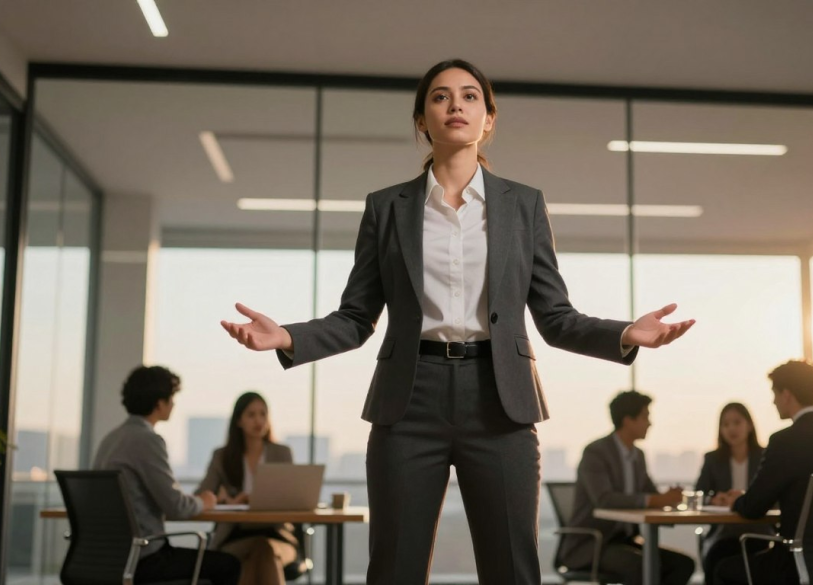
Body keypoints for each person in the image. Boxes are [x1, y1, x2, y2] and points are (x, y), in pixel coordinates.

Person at [220, 58, 694, 585]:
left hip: (500, 399)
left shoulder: (524, 205)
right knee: (394, 568)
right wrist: (288, 336)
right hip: (408, 402)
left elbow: (555, 317)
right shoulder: (386, 208)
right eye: (441, 97)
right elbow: (356, 317)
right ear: (423, 119)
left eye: (470, 97)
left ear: (488, 118)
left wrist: (625, 334)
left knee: (512, 568)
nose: (456, 106)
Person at [712, 360, 813, 585]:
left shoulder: (784, 442)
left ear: (786, 395)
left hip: (794, 563)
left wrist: (737, 500)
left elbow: (753, 507)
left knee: (722, 569)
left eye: (774, 395)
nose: (773, 401)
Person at [93, 365, 241, 585]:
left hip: (107, 559)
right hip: (144, 559)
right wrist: (206, 500)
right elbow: (177, 507)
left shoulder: (110, 439)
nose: (174, 404)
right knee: (228, 565)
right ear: (159, 403)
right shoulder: (148, 440)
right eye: (171, 398)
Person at [558, 390, 695, 585]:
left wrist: (670, 497)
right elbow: (604, 499)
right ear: (628, 420)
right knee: (640, 565)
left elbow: (652, 494)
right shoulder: (595, 452)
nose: (650, 423)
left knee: (683, 564)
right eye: (645, 416)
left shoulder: (637, 456)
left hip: (625, 541)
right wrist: (655, 500)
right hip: (593, 544)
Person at [197, 392, 299, 585]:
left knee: (263, 549)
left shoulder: (282, 453)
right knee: (261, 549)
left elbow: (291, 497)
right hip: (235, 536)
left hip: (278, 536)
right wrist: (225, 500)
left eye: (263, 414)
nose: (258, 420)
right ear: (238, 421)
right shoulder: (222, 456)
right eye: (251, 415)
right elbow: (200, 495)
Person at [694, 402, 770, 585]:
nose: (731, 429)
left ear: (749, 425)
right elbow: (699, 494)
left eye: (737, 422)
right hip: (724, 533)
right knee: (716, 558)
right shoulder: (713, 459)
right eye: (726, 424)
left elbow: (772, 494)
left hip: (758, 531)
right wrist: (714, 499)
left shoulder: (764, 456)